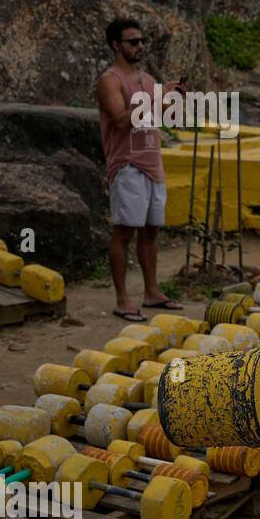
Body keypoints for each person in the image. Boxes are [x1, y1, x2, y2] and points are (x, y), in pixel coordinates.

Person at [95, 18, 187, 321]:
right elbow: (122, 120)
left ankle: (152, 292)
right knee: (124, 232)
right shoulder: (109, 79)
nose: (140, 46)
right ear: (116, 45)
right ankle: (123, 299)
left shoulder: (147, 79)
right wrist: (156, 99)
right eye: (133, 42)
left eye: (142, 41)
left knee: (150, 232)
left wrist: (172, 99)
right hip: (127, 166)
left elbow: (160, 116)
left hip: (152, 163)